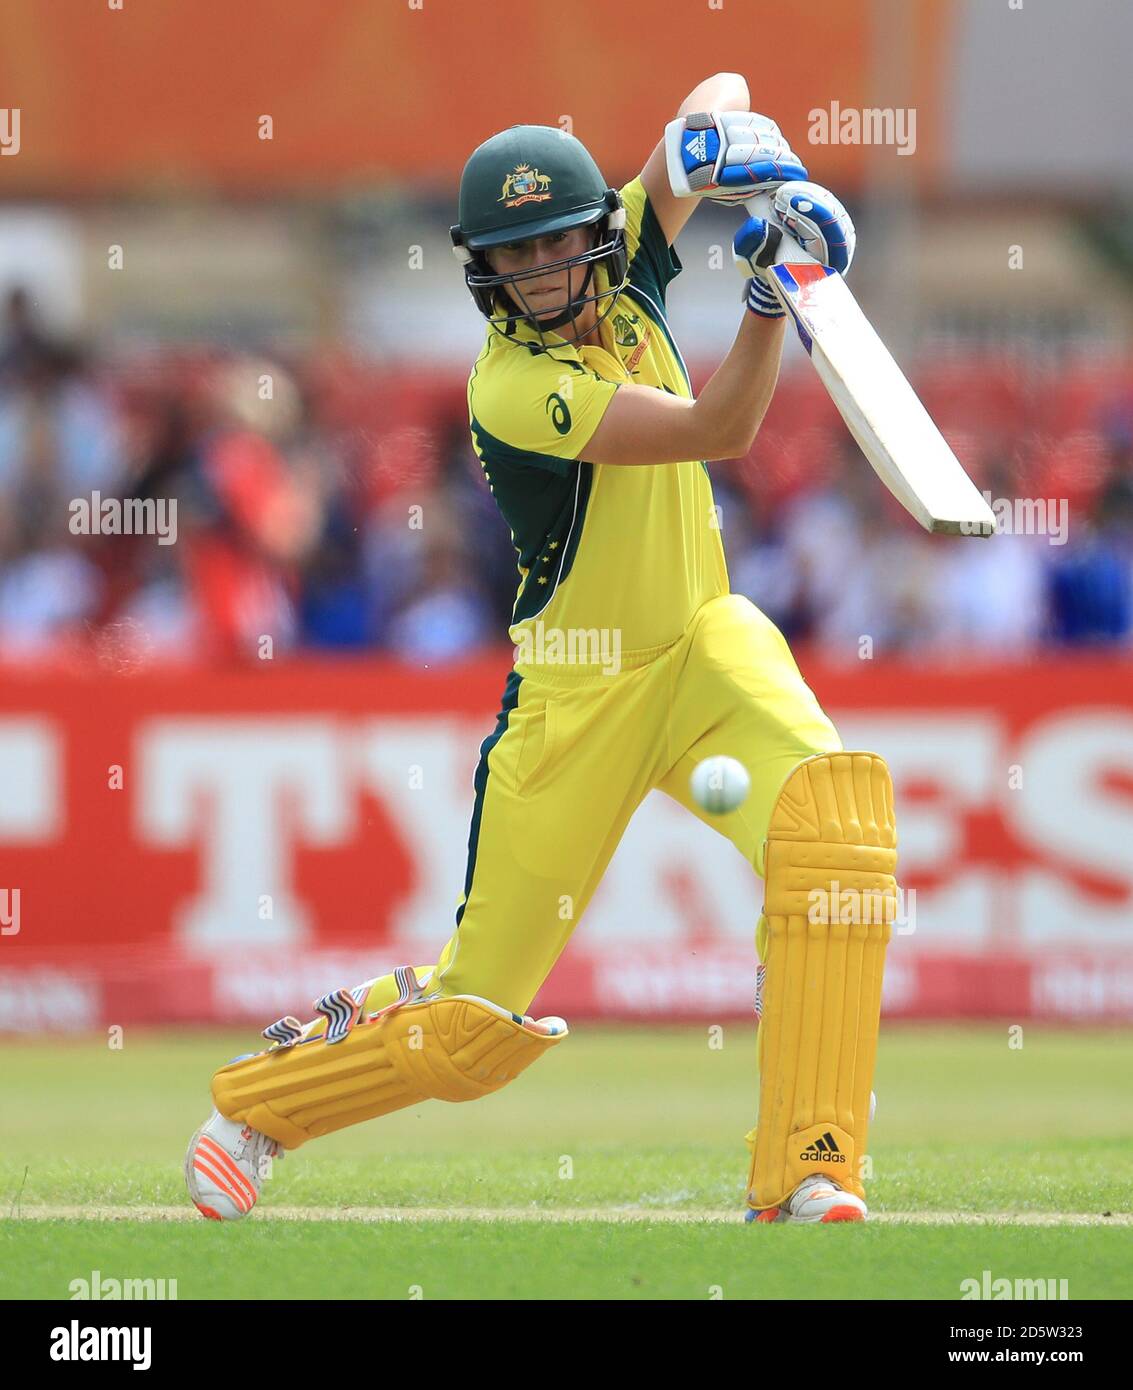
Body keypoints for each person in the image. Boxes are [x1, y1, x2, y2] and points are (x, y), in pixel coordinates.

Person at [184, 74, 898, 1227]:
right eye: (513, 257)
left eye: (559, 244)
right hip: (576, 694)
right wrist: (771, 294)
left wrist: (722, 141)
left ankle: (809, 1168)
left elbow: (705, 107)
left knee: (837, 839)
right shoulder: (512, 387)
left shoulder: (630, 262)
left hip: (705, 645)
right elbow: (719, 430)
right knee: (473, 1021)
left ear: (596, 235)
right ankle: (255, 1108)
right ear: (485, 270)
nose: (541, 274)